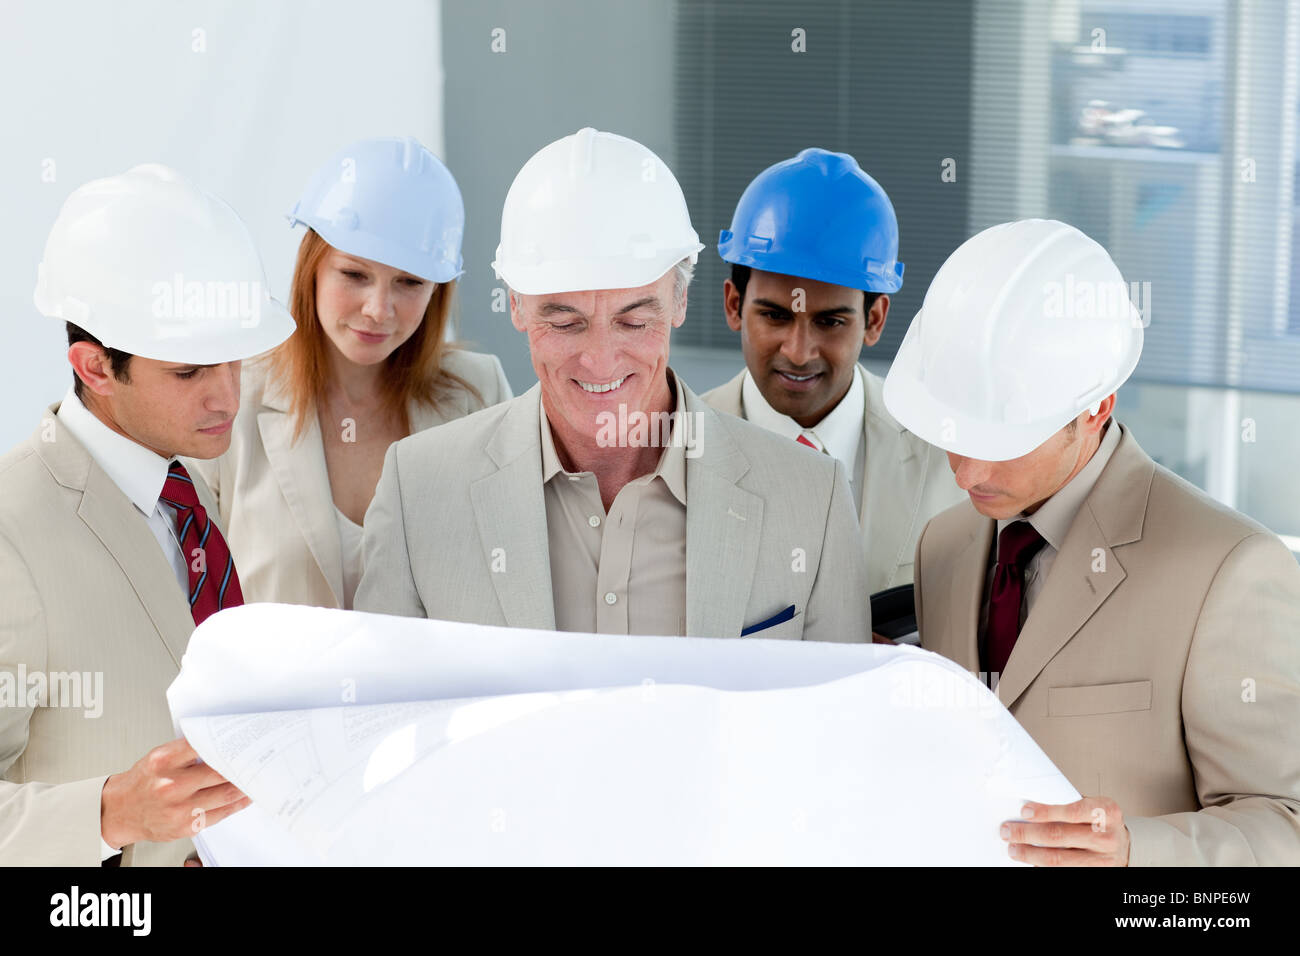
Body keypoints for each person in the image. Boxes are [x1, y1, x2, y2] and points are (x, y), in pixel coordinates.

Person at [884, 218, 1300, 866]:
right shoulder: (944, 546)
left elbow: (1286, 826)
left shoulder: (1230, 572)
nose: (967, 473)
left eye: (1001, 442)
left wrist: (1138, 852)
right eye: (954, 434)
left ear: (1096, 407)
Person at [356, 128, 869, 642]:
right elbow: (381, 716)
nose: (600, 361)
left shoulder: (811, 501)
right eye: (564, 322)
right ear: (515, 304)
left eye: (633, 321)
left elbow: (841, 720)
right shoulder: (417, 492)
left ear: (680, 301)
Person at [0, 164, 295, 865]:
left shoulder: (197, 488)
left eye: (234, 361)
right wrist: (112, 813)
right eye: (189, 372)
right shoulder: (12, 531)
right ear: (95, 366)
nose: (227, 396)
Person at [189, 137, 511, 610]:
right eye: (354, 275)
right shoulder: (230, 398)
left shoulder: (480, 393)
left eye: (409, 282)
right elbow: (186, 599)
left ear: (437, 290)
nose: (378, 310)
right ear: (312, 268)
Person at [702, 148, 961, 594]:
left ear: (875, 319)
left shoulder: (951, 462)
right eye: (775, 316)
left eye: (830, 322)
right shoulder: (672, 451)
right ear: (733, 305)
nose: (800, 353)